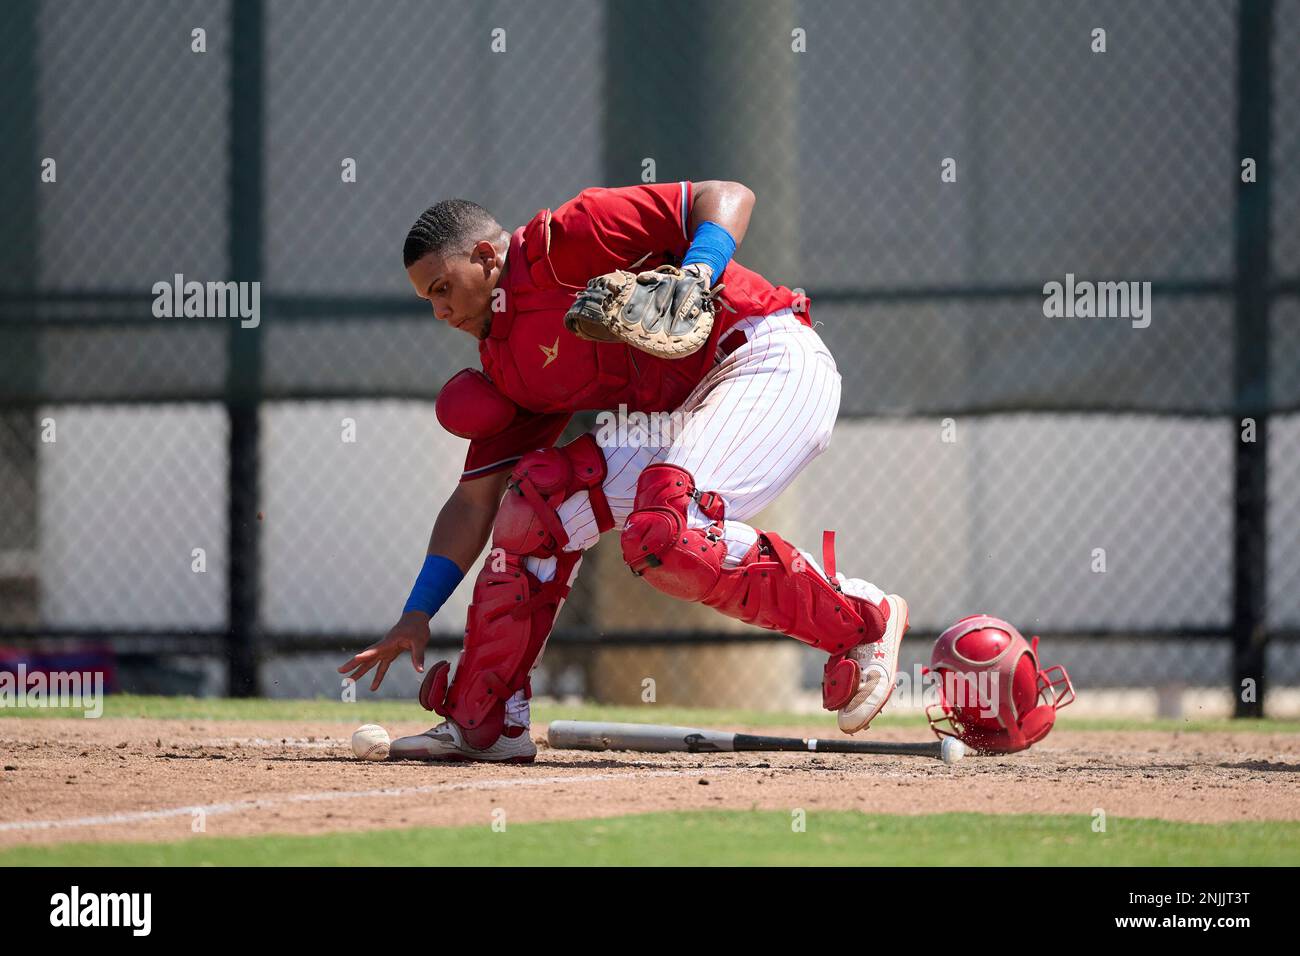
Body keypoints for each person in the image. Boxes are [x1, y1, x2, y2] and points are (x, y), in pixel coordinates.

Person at [337, 181, 908, 762]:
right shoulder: (509, 367)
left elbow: (727, 194)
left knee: (667, 530)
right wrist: (416, 614)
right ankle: (488, 719)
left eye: (442, 288)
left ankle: (863, 623)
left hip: (767, 354)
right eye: (427, 301)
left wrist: (695, 276)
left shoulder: (562, 242)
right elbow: (473, 502)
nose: (439, 312)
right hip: (682, 415)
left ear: (486, 257)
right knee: (538, 507)